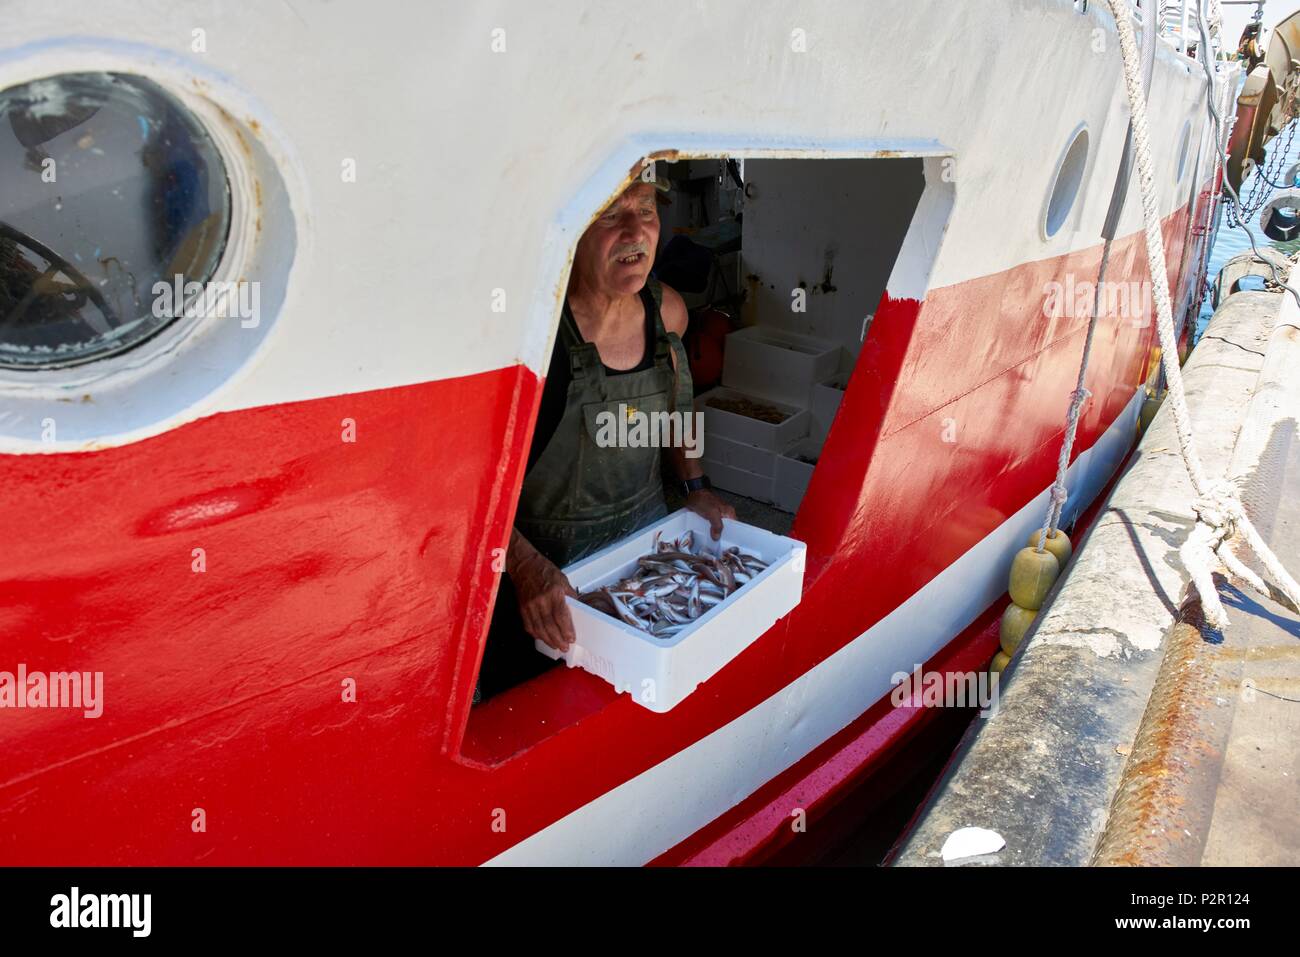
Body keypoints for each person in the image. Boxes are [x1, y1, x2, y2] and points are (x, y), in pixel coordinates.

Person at [476, 166, 735, 699]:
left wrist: (696, 488)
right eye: (611, 215)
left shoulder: (669, 314)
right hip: (548, 588)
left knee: (647, 703)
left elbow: (680, 410)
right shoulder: (531, 333)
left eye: (645, 211)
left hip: (645, 556)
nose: (634, 232)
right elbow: (467, 481)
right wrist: (525, 570)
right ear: (571, 230)